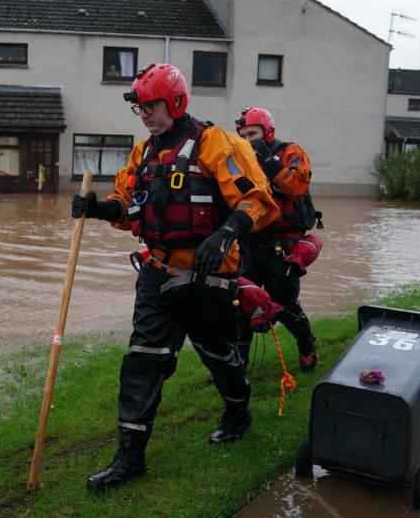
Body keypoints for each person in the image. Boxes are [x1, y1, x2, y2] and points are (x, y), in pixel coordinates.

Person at [71, 64, 279, 492]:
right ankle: (130, 457)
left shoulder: (216, 142)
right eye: (141, 109)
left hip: (209, 278)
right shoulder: (143, 153)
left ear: (176, 102)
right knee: (142, 360)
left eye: (152, 106)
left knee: (219, 356)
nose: (145, 115)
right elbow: (127, 205)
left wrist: (225, 232)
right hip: (157, 273)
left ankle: (238, 413)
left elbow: (257, 199)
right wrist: (97, 208)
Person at [235, 107, 322, 372]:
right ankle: (239, 365)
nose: (249, 139)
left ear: (267, 131)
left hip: (282, 246)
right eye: (244, 135)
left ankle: (307, 349)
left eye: (253, 133)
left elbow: (296, 188)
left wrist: (270, 163)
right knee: (242, 305)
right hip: (250, 243)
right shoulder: (241, 159)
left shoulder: (291, 152)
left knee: (285, 307)